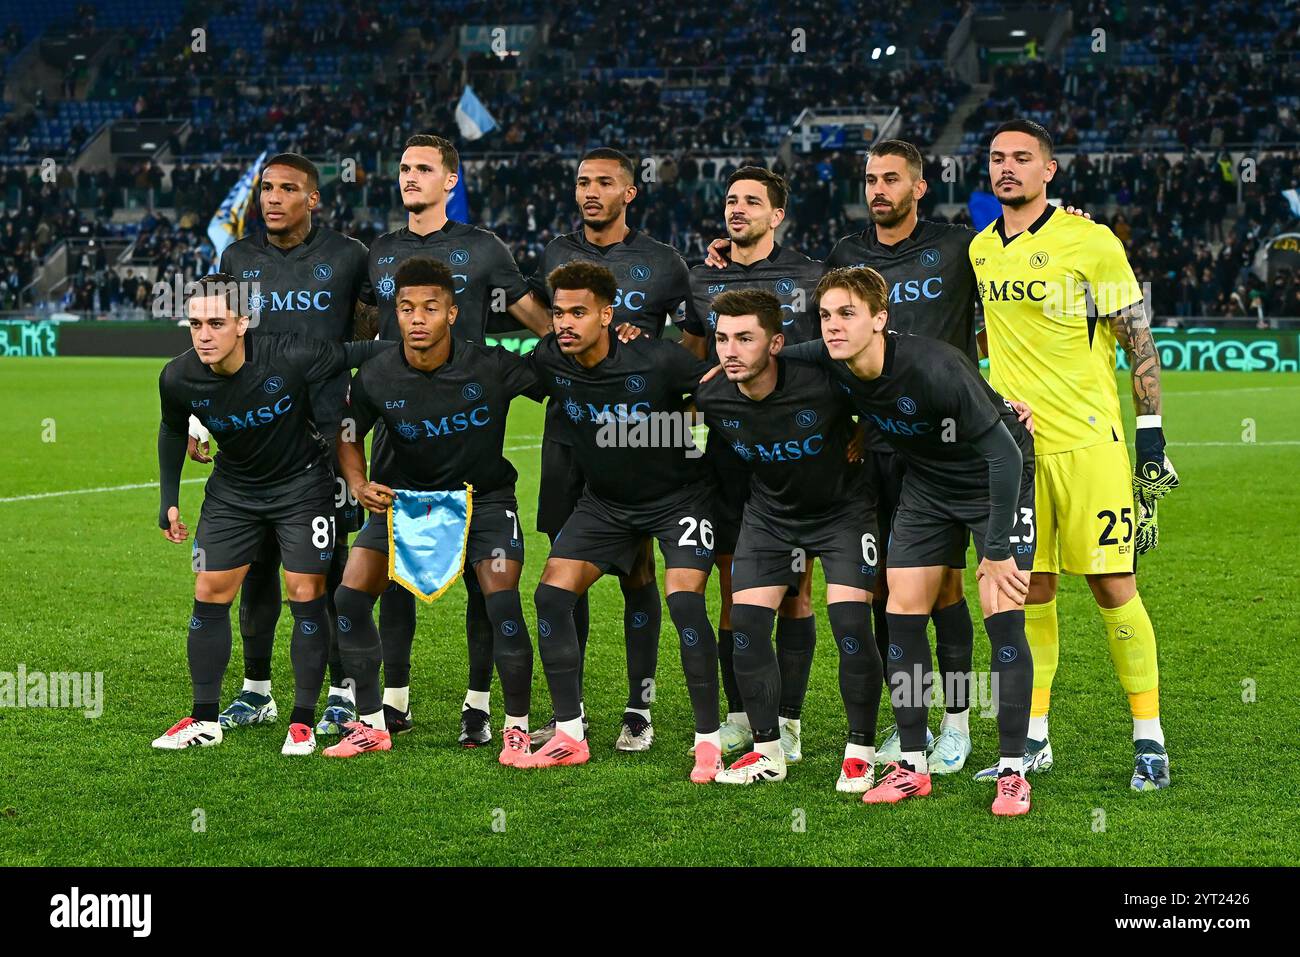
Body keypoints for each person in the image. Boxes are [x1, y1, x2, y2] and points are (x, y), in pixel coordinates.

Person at [784, 267, 1038, 816]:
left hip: (994, 479)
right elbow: (779, 355)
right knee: (902, 610)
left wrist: (995, 550)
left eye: (847, 314)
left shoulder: (935, 367)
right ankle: (914, 765)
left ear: (880, 318)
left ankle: (1014, 771)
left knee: (1003, 608)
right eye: (825, 315)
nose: (832, 326)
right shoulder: (832, 357)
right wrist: (724, 365)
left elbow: (1006, 456)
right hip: (927, 485)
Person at [970, 120, 1177, 791]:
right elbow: (985, 335)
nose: (1008, 168)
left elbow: (1137, 338)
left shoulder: (1091, 242)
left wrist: (1151, 434)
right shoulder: (979, 250)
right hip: (1018, 453)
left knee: (1114, 584)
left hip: (1090, 444)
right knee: (1032, 589)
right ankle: (1033, 736)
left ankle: (1149, 738)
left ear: (1049, 170)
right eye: (998, 158)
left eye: (1022, 158)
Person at [359, 133, 553, 746]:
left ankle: (477, 703)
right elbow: (365, 328)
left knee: (480, 574)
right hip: (397, 422)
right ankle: (393, 700)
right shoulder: (381, 251)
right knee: (393, 572)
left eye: (423, 169)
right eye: (404, 168)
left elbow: (539, 320)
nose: (410, 177)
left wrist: (584, 344)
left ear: (451, 180)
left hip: (468, 415)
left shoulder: (484, 248)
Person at [153, 273, 389, 755]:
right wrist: (169, 499)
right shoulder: (177, 376)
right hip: (232, 492)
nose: (203, 335)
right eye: (195, 324)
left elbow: (355, 355)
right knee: (209, 591)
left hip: (302, 488)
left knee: (305, 593)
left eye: (216, 323)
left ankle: (302, 721)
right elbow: (173, 430)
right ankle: (204, 719)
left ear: (243, 323)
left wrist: (431, 348)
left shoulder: (290, 355)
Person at [325, 257, 541, 764]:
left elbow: (560, 374)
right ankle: (371, 723)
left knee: (501, 602)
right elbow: (347, 430)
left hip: (484, 499)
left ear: (452, 313)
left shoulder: (489, 364)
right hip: (407, 503)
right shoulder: (377, 372)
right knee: (351, 598)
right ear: (394, 314)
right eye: (405, 308)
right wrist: (357, 480)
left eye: (429, 308)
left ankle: (513, 726)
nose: (417, 318)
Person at [522, 261, 722, 781]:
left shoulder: (656, 358)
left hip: (679, 498)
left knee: (683, 601)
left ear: (608, 316)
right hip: (605, 503)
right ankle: (570, 733)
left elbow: (720, 386)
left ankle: (706, 741)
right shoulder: (551, 358)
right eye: (559, 312)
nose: (564, 322)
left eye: (578, 313)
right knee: (551, 595)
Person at [528, 147, 692, 752]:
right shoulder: (557, 252)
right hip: (570, 433)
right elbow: (548, 328)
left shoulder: (663, 262)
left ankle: (638, 705)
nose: (589, 192)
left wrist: (648, 359)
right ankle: (569, 712)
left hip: (639, 437)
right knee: (566, 564)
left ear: (630, 193)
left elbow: (693, 340)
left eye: (603, 183)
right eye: (581, 182)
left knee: (638, 572)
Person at [695, 289, 883, 791]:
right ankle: (768, 751)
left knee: (850, 622)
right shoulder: (712, 396)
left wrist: (867, 431)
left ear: (776, 342)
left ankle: (860, 752)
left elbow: (878, 392)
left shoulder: (823, 381)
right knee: (748, 626)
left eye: (744, 339)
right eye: (722, 339)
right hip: (771, 516)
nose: (730, 351)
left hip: (844, 513)